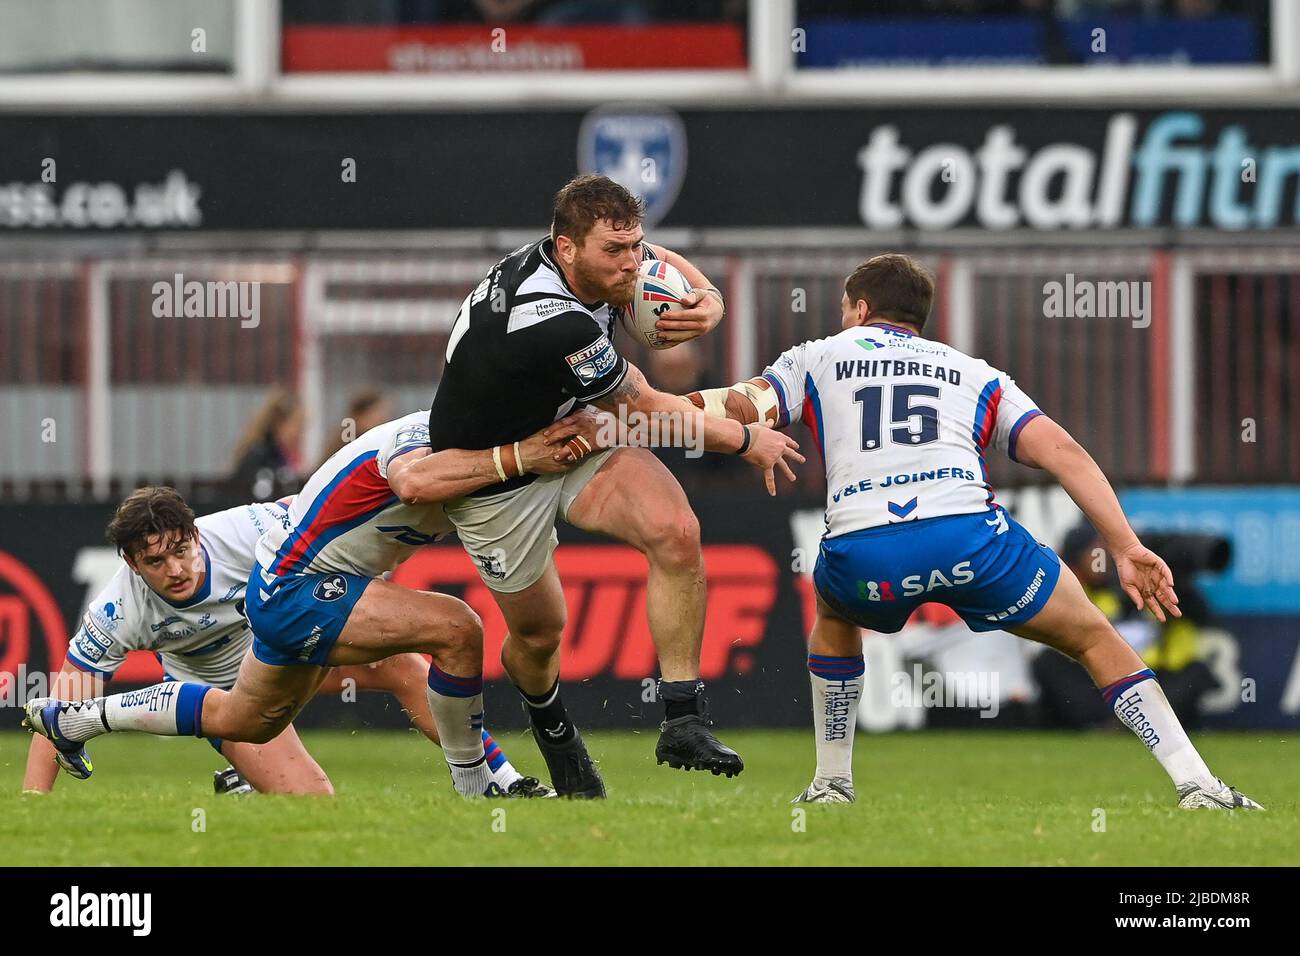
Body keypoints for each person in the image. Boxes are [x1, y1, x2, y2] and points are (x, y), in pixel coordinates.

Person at [686, 253, 1261, 811]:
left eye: (844, 310)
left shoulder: (818, 356)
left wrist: (650, 410)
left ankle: (832, 783)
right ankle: (1198, 785)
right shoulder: (973, 373)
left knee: (835, 617)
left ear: (859, 309)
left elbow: (737, 406)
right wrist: (1126, 546)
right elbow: (1062, 452)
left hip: (865, 551)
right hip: (969, 540)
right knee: (1093, 637)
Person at [427, 174, 802, 796]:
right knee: (539, 635)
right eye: (616, 251)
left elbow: (660, 263)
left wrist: (707, 293)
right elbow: (648, 408)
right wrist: (744, 440)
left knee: (676, 530)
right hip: (496, 472)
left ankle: (683, 717)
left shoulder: (588, 256)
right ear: (568, 248)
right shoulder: (550, 319)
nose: (633, 265)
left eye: (636, 247)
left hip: (572, 431)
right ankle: (553, 730)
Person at [24, 409, 604, 797]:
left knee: (410, 658)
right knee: (311, 801)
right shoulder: (117, 609)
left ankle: (494, 780)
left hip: (286, 638)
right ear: (131, 565)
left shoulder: (244, 530)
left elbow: (314, 515)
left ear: (197, 534)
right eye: (155, 562)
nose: (175, 569)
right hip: (241, 673)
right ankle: (479, 784)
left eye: (181, 550)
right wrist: (35, 806)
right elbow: (64, 692)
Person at [228, 388, 304, 502]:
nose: (300, 432)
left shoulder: (281, 458)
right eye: (297, 425)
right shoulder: (258, 457)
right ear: (279, 423)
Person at [318, 389, 393, 467]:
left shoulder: (349, 434)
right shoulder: (349, 439)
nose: (383, 419)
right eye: (378, 414)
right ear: (361, 415)